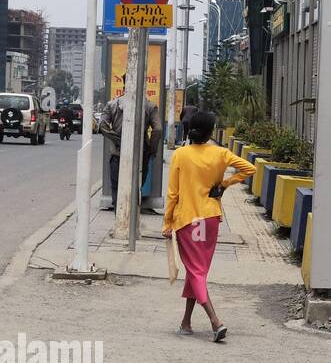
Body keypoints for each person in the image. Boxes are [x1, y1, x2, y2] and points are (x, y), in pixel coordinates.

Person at [162, 110, 256, 342]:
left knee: (195, 272)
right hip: (210, 219)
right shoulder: (221, 153)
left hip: (188, 221)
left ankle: (215, 321)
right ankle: (186, 322)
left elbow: (173, 193)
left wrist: (167, 222)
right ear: (210, 132)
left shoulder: (181, 155)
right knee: (197, 272)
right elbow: (249, 169)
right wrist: (224, 184)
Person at [100, 93, 163, 210]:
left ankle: (119, 215)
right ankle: (132, 215)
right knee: (135, 187)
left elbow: (102, 125)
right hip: (141, 154)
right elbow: (158, 129)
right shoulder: (149, 106)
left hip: (117, 154)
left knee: (117, 188)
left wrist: (117, 140)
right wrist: (152, 150)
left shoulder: (112, 104)